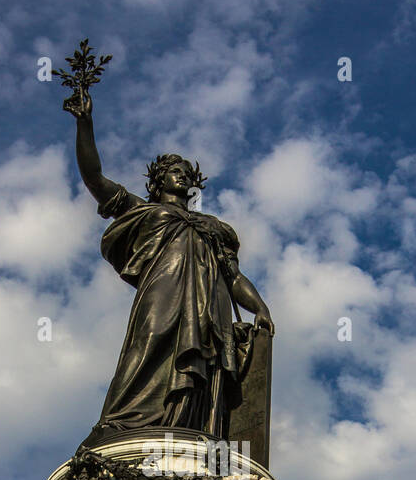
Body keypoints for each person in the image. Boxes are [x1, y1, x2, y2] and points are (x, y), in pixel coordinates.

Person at [66, 88, 273, 446]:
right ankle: (124, 425)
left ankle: (189, 431)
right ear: (158, 178)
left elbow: (234, 276)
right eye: (172, 170)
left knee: (206, 367)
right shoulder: (142, 211)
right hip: (164, 294)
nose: (180, 175)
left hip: (211, 305)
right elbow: (95, 179)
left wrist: (260, 308)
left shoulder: (214, 227)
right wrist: (85, 123)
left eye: (184, 171)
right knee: (149, 346)